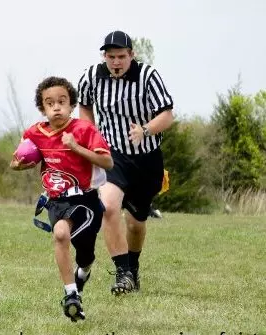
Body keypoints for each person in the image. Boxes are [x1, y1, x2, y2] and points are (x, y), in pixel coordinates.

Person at [78, 30, 174, 295]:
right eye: (111, 57)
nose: (116, 62)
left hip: (147, 159)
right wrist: (90, 135)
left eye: (121, 56)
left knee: (135, 222)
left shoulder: (147, 76)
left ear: (131, 55)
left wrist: (144, 130)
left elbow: (167, 114)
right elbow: (84, 106)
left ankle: (133, 267)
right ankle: (123, 273)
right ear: (104, 57)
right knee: (107, 207)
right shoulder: (91, 76)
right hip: (112, 155)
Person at [10, 76, 113, 322]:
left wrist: (76, 147)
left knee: (85, 256)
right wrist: (21, 164)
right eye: (49, 103)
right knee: (60, 234)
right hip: (56, 201)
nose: (56, 107)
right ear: (42, 108)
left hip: (85, 202)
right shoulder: (35, 133)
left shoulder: (84, 130)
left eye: (62, 101)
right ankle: (71, 295)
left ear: (71, 104)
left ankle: (84, 271)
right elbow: (15, 163)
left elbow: (107, 162)